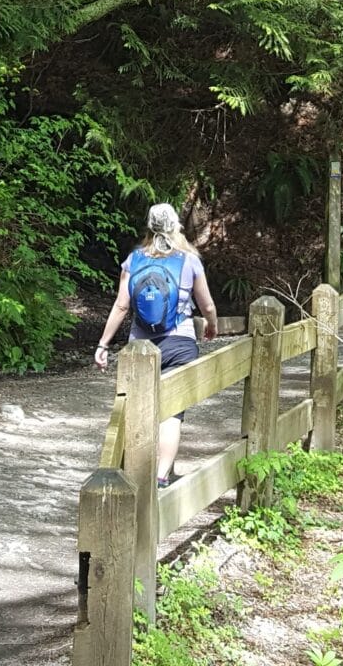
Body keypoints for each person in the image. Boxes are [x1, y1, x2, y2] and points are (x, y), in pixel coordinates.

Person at [92, 203, 220, 486]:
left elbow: (122, 306)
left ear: (149, 228)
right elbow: (207, 304)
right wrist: (211, 325)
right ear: (177, 226)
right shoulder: (189, 260)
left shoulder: (134, 260)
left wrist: (103, 344)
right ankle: (161, 475)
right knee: (172, 413)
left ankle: (133, 474)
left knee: (136, 408)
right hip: (180, 342)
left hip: (140, 347)